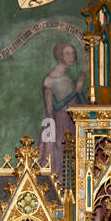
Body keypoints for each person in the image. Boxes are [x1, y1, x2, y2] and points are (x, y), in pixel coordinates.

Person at [41, 41, 85, 183]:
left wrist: (79, 88)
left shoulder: (66, 76)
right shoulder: (50, 80)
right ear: (60, 56)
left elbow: (81, 103)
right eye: (67, 53)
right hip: (61, 123)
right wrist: (75, 91)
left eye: (73, 53)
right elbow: (54, 108)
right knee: (61, 158)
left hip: (72, 120)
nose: (71, 56)